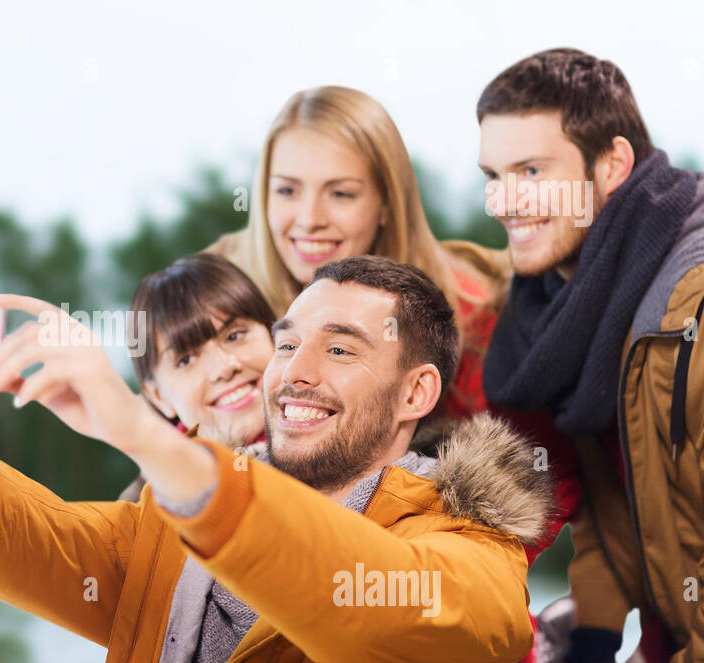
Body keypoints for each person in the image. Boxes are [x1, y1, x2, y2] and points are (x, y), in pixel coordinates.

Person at [0, 257, 551, 663]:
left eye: (339, 348)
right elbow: (30, 541)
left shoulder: (471, 549)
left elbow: (386, 606)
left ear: (416, 392)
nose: (290, 373)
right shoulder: (163, 525)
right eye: (284, 342)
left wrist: (144, 436)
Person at [476, 48, 704, 663]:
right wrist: (593, 641)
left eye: (532, 172)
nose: (504, 203)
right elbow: (619, 499)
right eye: (492, 176)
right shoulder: (581, 307)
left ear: (613, 164)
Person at [203, 86, 509, 422]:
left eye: (341, 193)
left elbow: (534, 464)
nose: (309, 220)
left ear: (387, 205)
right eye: (287, 190)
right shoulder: (216, 302)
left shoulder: (469, 319)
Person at [117, 253, 276, 502]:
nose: (223, 368)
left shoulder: (347, 448)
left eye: (234, 336)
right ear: (158, 397)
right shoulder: (141, 515)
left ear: (275, 334)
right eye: (186, 359)